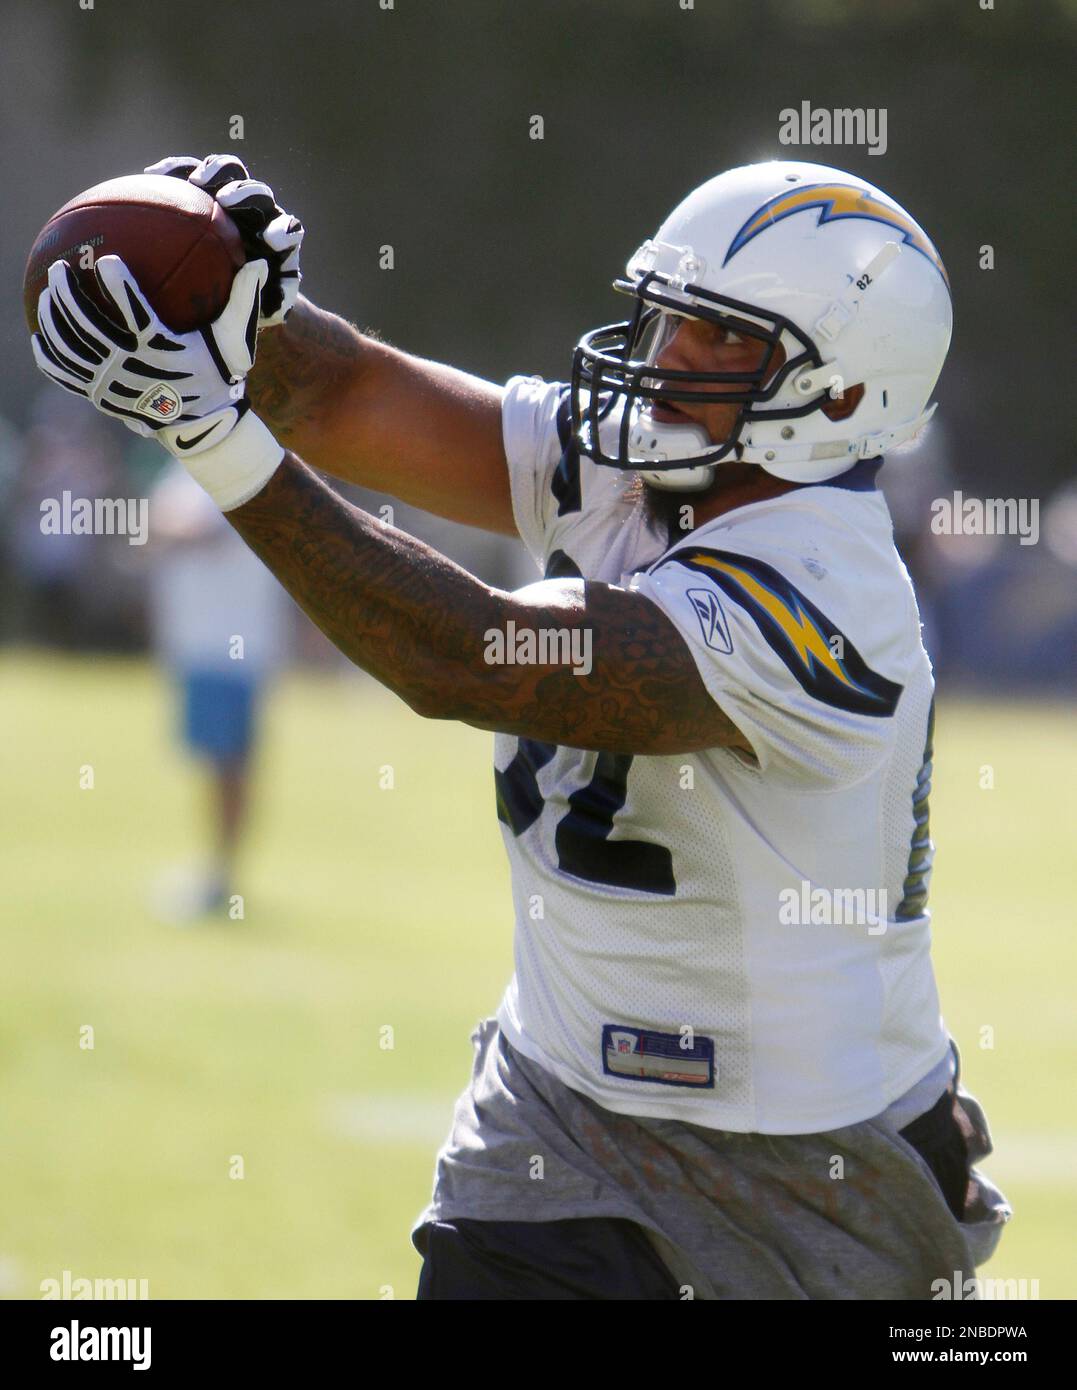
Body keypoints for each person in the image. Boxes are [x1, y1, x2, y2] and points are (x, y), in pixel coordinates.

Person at [31, 153, 1011, 1299]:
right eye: (669, 317)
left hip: (806, 1164)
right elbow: (346, 399)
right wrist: (245, 308)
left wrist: (213, 440)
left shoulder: (831, 595)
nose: (665, 360)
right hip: (554, 1118)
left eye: (722, 340)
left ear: (843, 396)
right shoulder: (636, 458)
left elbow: (476, 655)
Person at [146, 460, 291, 919]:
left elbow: (187, 527)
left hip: (229, 650)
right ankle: (218, 874)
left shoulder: (232, 460)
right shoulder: (186, 469)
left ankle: (220, 878)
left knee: (229, 768)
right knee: (218, 767)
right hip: (205, 648)